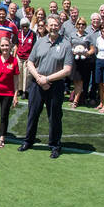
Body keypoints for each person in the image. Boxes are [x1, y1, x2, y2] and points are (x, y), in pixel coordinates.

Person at [20, 16, 74, 159]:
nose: (54, 27)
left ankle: (55, 145)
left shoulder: (66, 44)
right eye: (51, 25)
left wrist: (47, 79)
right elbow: (30, 62)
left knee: (54, 117)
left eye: (56, 25)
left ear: (60, 26)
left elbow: (67, 70)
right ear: (47, 26)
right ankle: (28, 141)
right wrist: (39, 78)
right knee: (32, 114)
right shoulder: (40, 41)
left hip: (55, 85)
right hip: (37, 84)